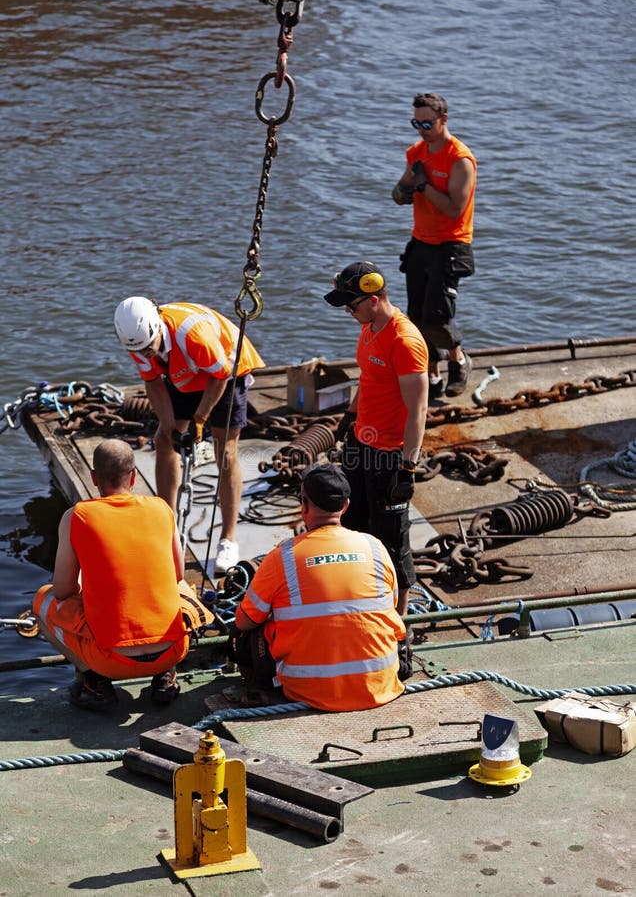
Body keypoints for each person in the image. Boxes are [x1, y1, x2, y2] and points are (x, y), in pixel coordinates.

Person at [32, 439, 214, 710]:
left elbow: (63, 591)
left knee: (42, 599)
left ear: (93, 478)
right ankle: (165, 675)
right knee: (183, 588)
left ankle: (93, 681)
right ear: (134, 476)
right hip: (172, 650)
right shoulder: (162, 509)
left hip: (110, 661)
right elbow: (177, 574)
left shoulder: (77, 516)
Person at [229, 463, 409, 712]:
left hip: (306, 691)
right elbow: (390, 606)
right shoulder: (375, 547)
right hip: (380, 685)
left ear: (304, 505)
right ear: (345, 506)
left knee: (251, 631)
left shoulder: (283, 557)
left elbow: (244, 622)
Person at [114, 296, 265, 573]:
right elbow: (153, 384)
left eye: (150, 348)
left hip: (226, 372)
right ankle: (166, 526)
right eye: (142, 351)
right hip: (185, 372)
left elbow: (220, 375)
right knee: (163, 440)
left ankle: (228, 540)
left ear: (157, 328)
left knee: (225, 450)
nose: (146, 354)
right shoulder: (137, 340)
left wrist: (200, 418)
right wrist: (170, 425)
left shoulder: (191, 334)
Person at [323, 261, 428, 616]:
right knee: (353, 525)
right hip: (361, 445)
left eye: (351, 305)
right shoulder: (369, 328)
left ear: (373, 298)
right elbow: (367, 379)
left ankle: (400, 624)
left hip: (389, 456)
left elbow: (418, 410)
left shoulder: (405, 341)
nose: (348, 312)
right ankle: (362, 598)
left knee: (393, 540)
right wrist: (350, 416)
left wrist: (408, 469)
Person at [392, 92, 476, 399]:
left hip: (451, 245)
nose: (422, 129)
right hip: (420, 243)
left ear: (443, 120)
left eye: (427, 123)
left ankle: (459, 360)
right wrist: (403, 191)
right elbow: (400, 189)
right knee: (416, 317)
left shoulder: (460, 159)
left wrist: (423, 186)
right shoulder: (416, 152)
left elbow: (455, 209)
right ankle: (432, 373)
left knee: (436, 318)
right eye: (416, 122)